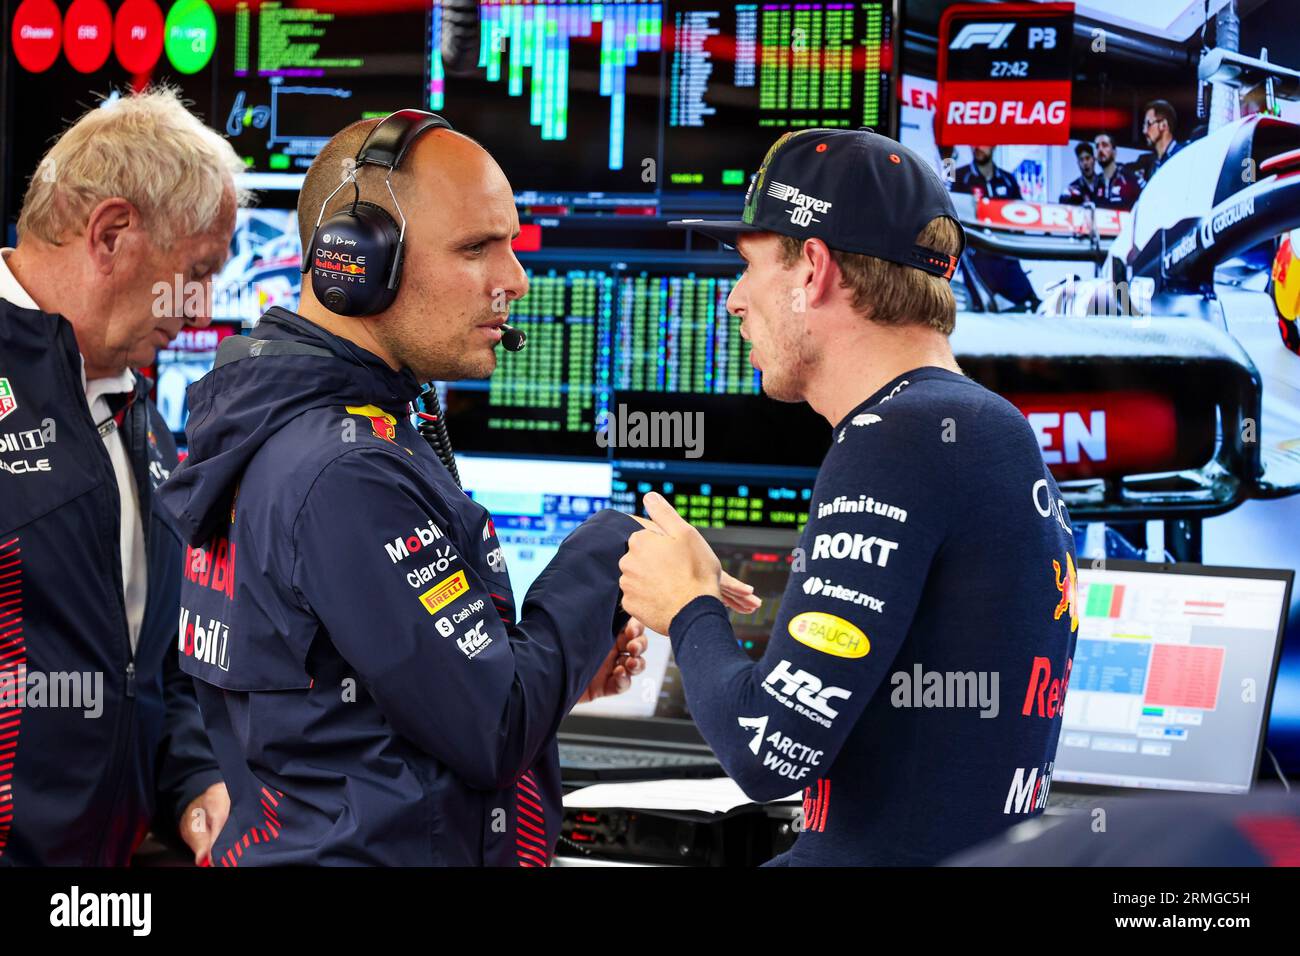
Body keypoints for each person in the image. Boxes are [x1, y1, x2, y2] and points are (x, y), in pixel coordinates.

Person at [157, 111, 755, 866]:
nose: (516, 279)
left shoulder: (288, 425)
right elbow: (491, 727)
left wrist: (552, 672)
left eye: (509, 242)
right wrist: (615, 546)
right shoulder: (346, 470)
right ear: (355, 259)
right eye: (477, 248)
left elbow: (375, 708)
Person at [621, 128, 1079, 866]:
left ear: (813, 268)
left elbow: (769, 750)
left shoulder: (897, 435)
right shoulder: (982, 427)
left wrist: (686, 609)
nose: (735, 301)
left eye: (748, 267)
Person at [0, 89, 236, 865]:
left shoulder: (140, 409)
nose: (200, 310)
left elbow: (151, 664)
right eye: (195, 272)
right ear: (110, 232)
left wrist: (196, 779)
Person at [951, 146, 1039, 310]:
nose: (977, 147)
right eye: (974, 142)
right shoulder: (960, 176)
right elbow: (951, 219)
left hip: (1007, 258)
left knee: (1031, 306)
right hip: (975, 259)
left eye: (983, 142)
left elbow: (1021, 224)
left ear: (994, 145)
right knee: (983, 311)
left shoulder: (1008, 180)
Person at [1135, 99, 1184, 190]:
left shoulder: (1181, 157)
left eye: (1148, 124)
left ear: (1164, 125)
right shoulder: (1153, 163)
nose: (1144, 131)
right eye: (1144, 125)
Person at [1093, 133, 1139, 209]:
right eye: (1097, 146)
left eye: (1104, 145)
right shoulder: (1095, 183)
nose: (1100, 150)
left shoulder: (1129, 179)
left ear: (1114, 152)